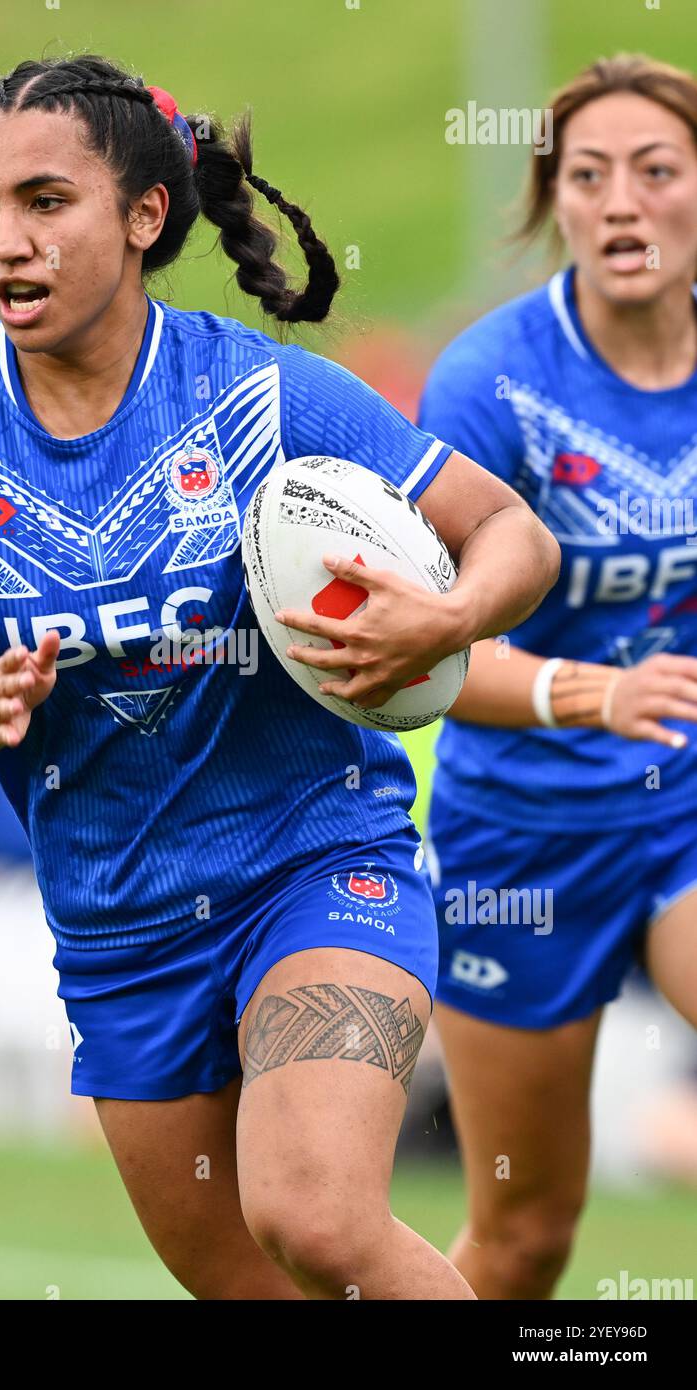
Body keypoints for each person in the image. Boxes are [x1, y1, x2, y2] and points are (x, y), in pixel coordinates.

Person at [0, 53, 557, 1299]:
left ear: (142, 216)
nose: (5, 241)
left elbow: (517, 535)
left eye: (44, 202)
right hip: (118, 927)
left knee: (321, 1221)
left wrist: (440, 618)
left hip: (314, 865)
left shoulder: (261, 397)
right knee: (257, 1290)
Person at [418, 53, 697, 1300]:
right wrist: (587, 696)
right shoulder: (492, 385)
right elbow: (425, 657)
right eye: (589, 177)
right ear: (556, 202)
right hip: (518, 838)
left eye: (656, 171)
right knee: (526, 1239)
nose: (622, 202)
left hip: (681, 805)